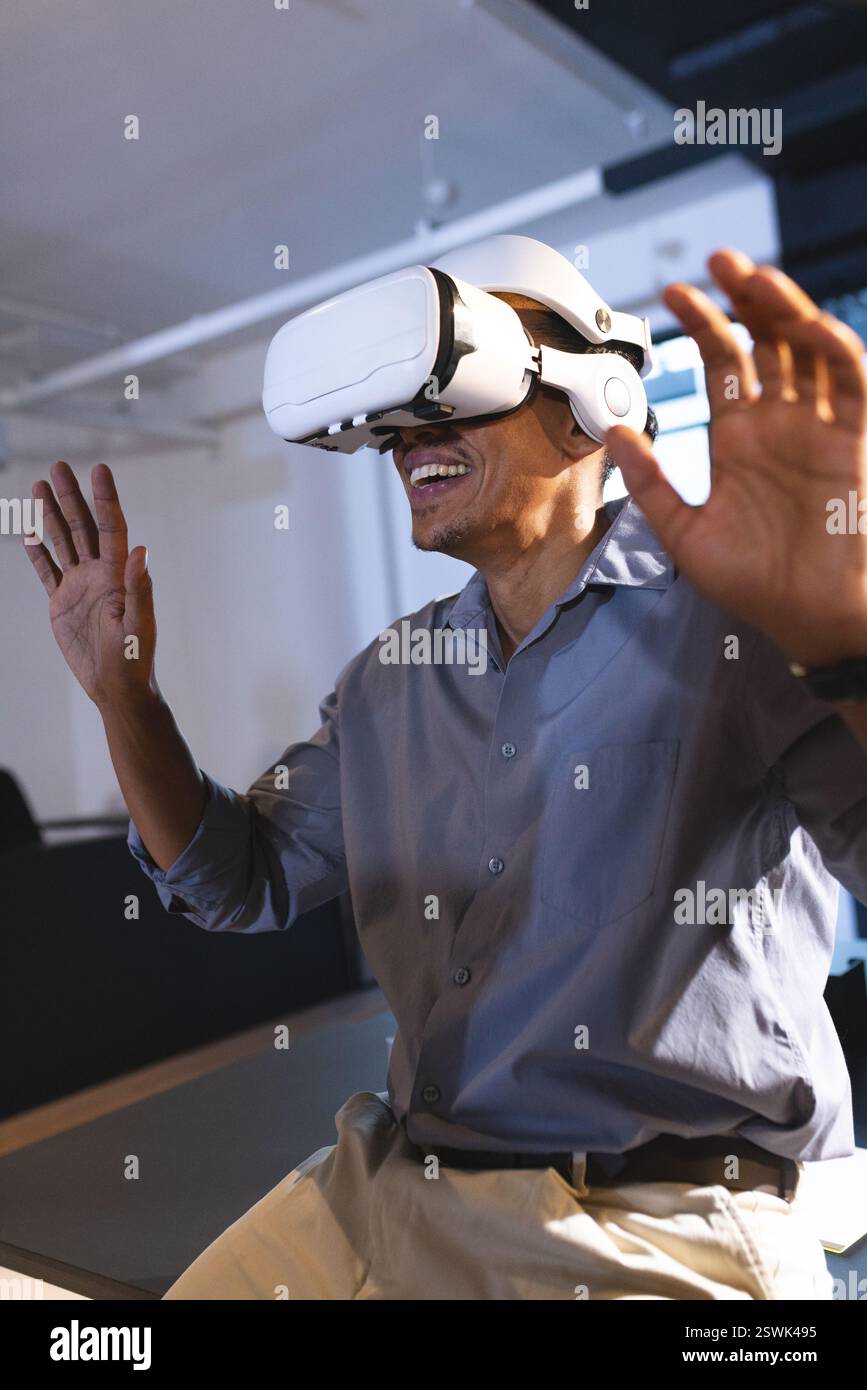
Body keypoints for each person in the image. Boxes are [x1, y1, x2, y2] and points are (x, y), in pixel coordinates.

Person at [22, 246, 867, 1300]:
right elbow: (235, 877)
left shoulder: (741, 629)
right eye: (392, 421)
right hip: (387, 1181)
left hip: (655, 1223)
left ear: (589, 404)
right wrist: (126, 700)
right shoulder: (391, 683)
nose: (407, 440)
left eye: (449, 397)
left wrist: (845, 643)